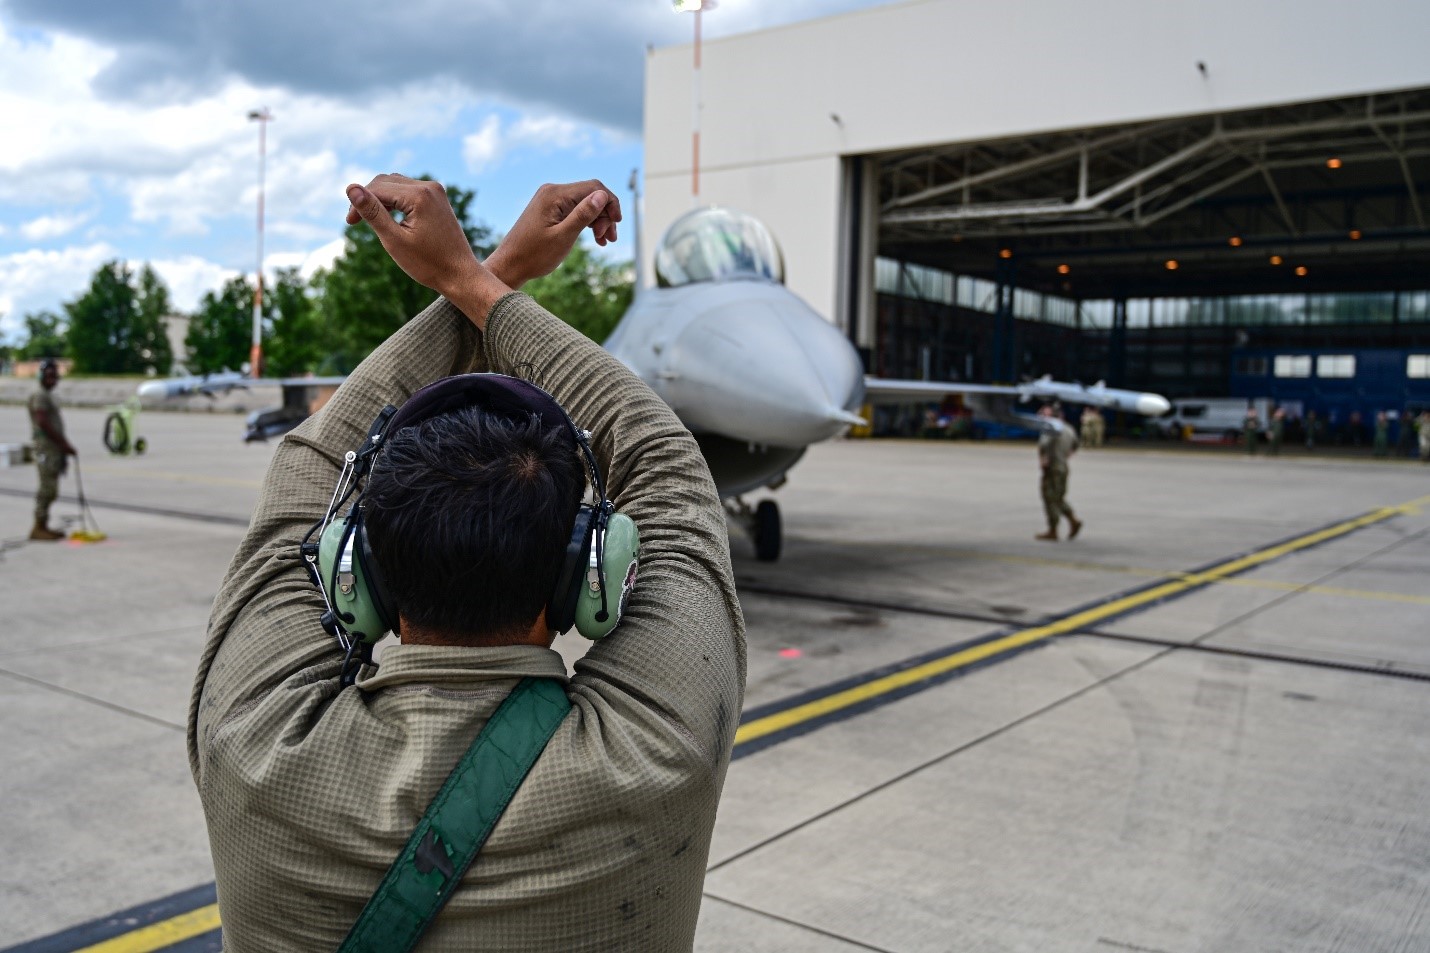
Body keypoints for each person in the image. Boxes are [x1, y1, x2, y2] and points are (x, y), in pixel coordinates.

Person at [187, 176, 745, 951]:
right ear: (584, 571)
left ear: (362, 571)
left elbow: (310, 469)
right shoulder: (658, 749)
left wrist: (484, 273)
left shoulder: (251, 739)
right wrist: (479, 283)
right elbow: (664, 461)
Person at [27, 358, 77, 540]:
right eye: (49, 376)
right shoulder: (40, 395)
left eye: (55, 377)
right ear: (41, 375)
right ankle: (38, 527)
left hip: (53, 449)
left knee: (51, 488)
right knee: (47, 489)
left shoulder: (47, 395)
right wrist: (63, 444)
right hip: (46, 449)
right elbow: (42, 422)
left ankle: (42, 525)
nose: (52, 380)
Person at [1035, 403, 1082, 541]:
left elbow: (1044, 446)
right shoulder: (1068, 428)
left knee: (1050, 499)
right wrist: (1065, 456)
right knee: (1058, 497)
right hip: (1063, 467)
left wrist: (1044, 460)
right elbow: (1075, 445)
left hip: (1052, 468)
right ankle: (1073, 521)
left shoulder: (1051, 429)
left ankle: (1054, 530)